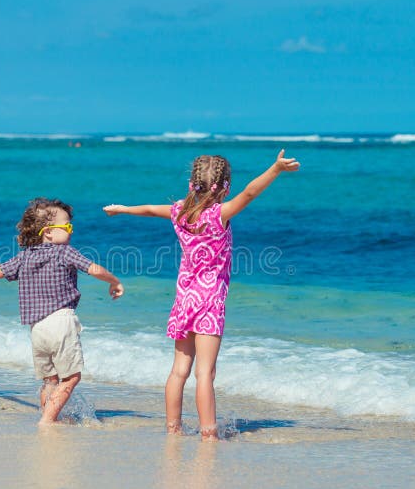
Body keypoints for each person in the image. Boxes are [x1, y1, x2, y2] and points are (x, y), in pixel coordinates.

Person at [104, 150, 300, 441]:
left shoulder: (180, 211)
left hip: (184, 299)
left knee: (179, 370)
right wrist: (275, 169)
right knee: (205, 373)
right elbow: (249, 193)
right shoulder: (219, 214)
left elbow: (149, 209)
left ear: (192, 184)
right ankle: (209, 433)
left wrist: (123, 209)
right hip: (209, 302)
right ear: (225, 187)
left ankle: (174, 428)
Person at [0, 197, 124, 424]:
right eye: (67, 227)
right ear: (48, 233)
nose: (71, 232)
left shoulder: (25, 256)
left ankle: (49, 416)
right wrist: (114, 281)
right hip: (61, 322)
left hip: (37, 329)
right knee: (71, 377)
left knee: (50, 380)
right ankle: (47, 420)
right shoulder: (64, 252)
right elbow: (93, 269)